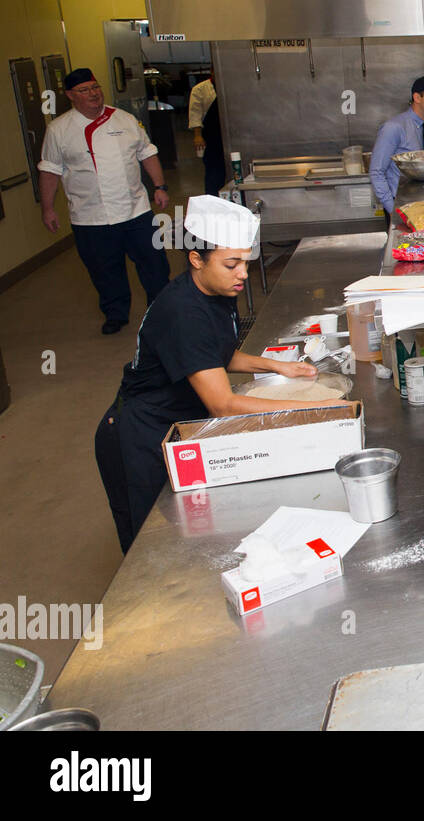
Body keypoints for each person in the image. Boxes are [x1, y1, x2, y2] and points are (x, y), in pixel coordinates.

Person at [94, 196, 350, 553]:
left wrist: (277, 366)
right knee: (154, 545)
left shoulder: (219, 288)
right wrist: (319, 408)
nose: (242, 273)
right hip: (141, 434)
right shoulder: (183, 313)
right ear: (196, 260)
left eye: (245, 262)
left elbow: (218, 354)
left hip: (180, 420)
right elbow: (223, 404)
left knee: (196, 530)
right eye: (232, 264)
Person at [38, 67, 172, 335]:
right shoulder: (59, 130)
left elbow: (147, 153)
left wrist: (159, 186)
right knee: (104, 271)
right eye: (84, 90)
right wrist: (48, 208)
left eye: (95, 87)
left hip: (136, 210)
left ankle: (161, 310)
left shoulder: (124, 119)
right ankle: (115, 313)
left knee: (155, 264)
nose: (93, 94)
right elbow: (50, 170)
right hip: (90, 216)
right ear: (70, 96)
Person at [370, 75, 424, 217]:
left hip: (422, 205)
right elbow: (376, 172)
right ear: (417, 97)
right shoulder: (394, 127)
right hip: (400, 206)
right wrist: (393, 210)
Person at [188, 73, 226, 195]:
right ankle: (212, 199)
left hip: (230, 133)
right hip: (212, 135)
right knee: (214, 172)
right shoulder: (200, 89)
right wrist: (197, 136)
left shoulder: (229, 85)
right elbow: (195, 114)